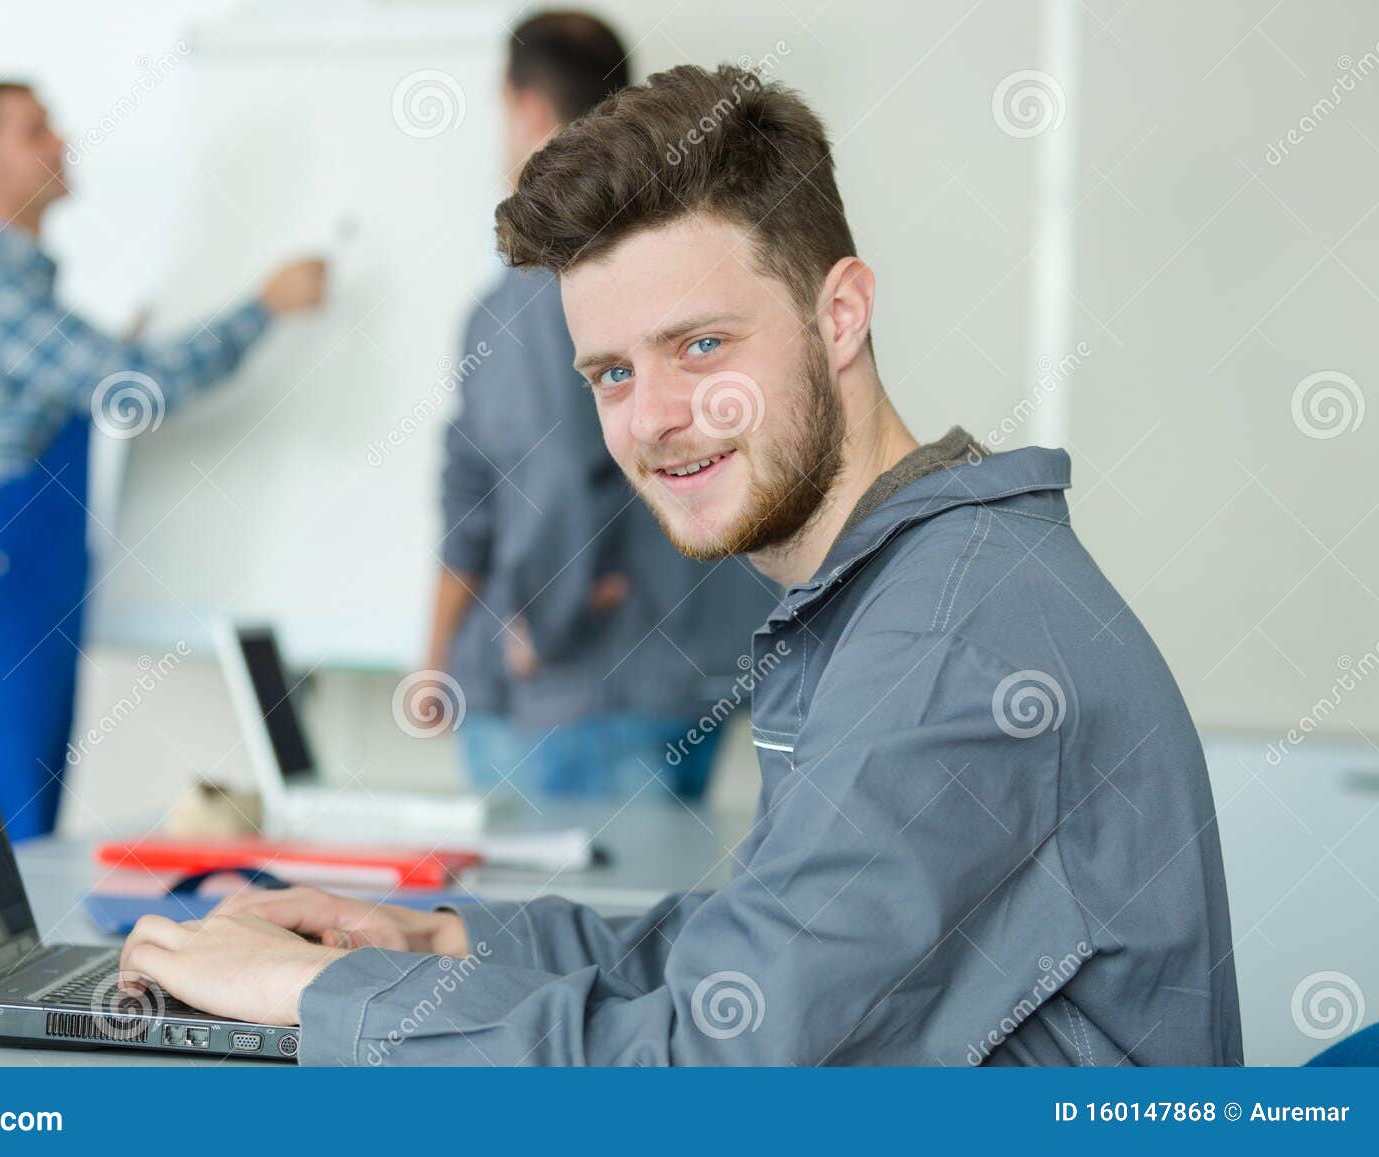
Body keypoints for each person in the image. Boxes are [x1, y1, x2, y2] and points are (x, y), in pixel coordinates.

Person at [118, 65, 1242, 1066]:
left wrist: (314, 991)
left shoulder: (950, 636)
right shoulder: (892, 583)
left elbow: (704, 1068)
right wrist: (438, 935)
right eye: (608, 372)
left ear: (838, 312)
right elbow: (741, 950)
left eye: (700, 344)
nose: (653, 418)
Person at [0, 82, 325, 839]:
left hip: (19, 595)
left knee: (14, 839)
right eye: (36, 132)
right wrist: (265, 306)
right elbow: (137, 386)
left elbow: (92, 379)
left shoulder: (13, 286)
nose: (63, 141)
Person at [422, 11, 775, 799]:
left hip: (582, 695)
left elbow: (551, 472)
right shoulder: (700, 261)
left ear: (528, 112)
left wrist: (539, 624)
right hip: (689, 667)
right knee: (655, 913)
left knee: (566, 924)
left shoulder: (546, 289)